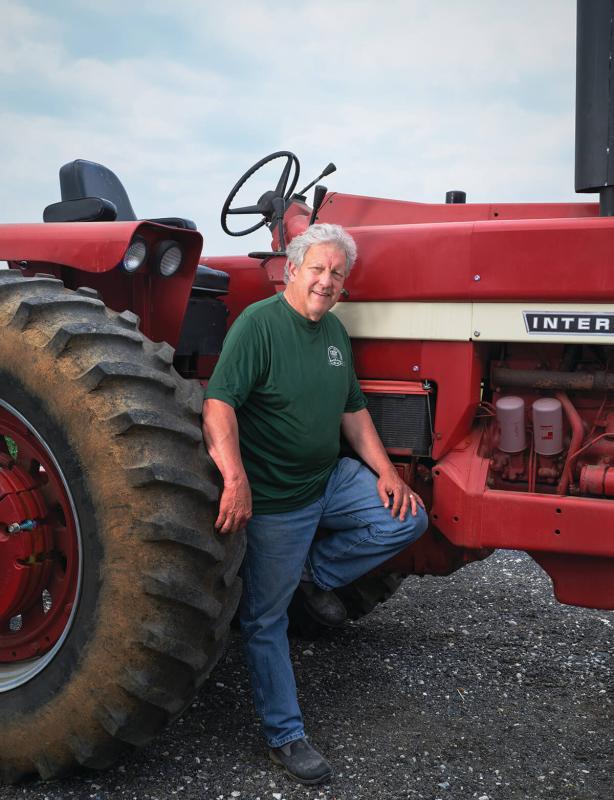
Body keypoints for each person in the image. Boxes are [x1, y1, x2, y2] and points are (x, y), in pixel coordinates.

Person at [202, 223, 428, 785]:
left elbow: (353, 412)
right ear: (292, 269)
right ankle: (285, 736)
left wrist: (386, 473)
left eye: (337, 274)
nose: (326, 282)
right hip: (277, 499)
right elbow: (219, 404)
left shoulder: (332, 333)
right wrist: (235, 477)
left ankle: (310, 572)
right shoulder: (259, 324)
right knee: (264, 619)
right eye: (318, 269)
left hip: (328, 478)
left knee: (407, 517)